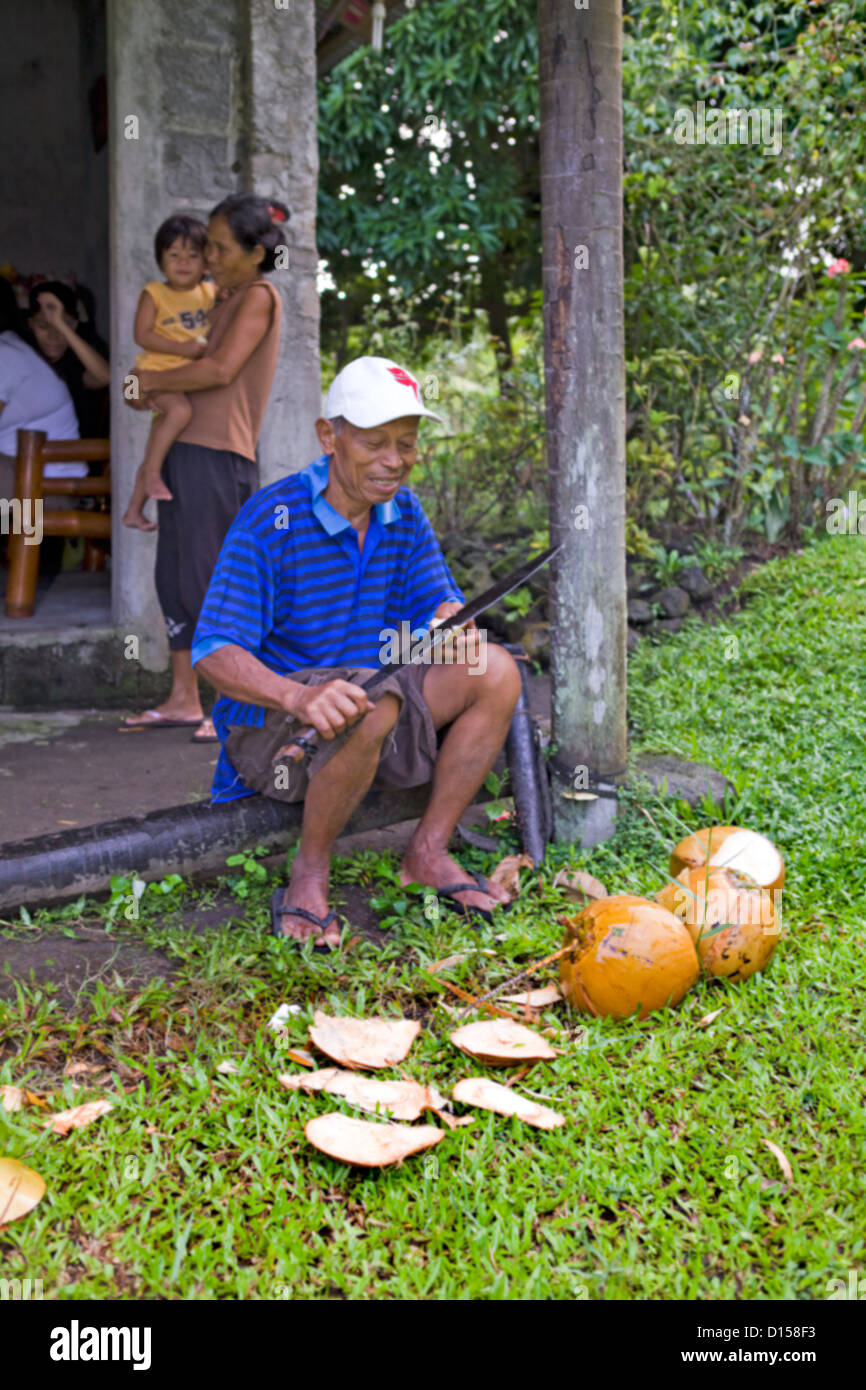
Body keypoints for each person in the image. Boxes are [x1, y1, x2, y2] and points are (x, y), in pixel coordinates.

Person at [192, 355, 522, 950]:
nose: (394, 460)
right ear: (329, 437)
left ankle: (427, 852)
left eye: (407, 443)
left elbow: (438, 604)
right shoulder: (273, 519)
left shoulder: (404, 514)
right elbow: (214, 652)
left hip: (375, 706)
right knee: (373, 696)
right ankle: (307, 880)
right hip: (279, 734)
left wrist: (455, 626)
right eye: (374, 443)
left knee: (493, 670)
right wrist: (299, 695)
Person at [120, 193, 288, 744]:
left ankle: (234, 705)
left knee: (213, 581)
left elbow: (218, 371)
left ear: (256, 253)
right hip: (183, 453)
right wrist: (150, 445)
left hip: (218, 457)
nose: (208, 257)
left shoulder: (259, 297)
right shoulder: (218, 301)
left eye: (218, 248)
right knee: (174, 579)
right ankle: (183, 699)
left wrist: (148, 383)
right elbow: (174, 373)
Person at [122, 214, 216, 528]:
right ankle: (151, 475)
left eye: (192, 256)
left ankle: (134, 510)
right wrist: (184, 349)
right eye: (174, 255)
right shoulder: (154, 293)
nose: (183, 263)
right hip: (149, 375)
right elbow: (142, 335)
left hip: (179, 380)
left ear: (206, 261)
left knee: (155, 444)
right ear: (161, 260)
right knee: (179, 411)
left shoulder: (208, 292)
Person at [0, 278, 83, 517]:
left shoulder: (7, 353)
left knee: (17, 516)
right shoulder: (13, 347)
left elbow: (109, 378)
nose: (53, 336)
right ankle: (15, 549)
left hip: (46, 489)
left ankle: (19, 548)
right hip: (26, 479)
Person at [27, 281, 110, 438]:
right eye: (44, 326)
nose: (53, 336)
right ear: (30, 324)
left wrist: (61, 324)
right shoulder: (22, 358)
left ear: (74, 326)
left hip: (71, 451)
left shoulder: (73, 362)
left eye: (61, 327)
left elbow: (104, 377)